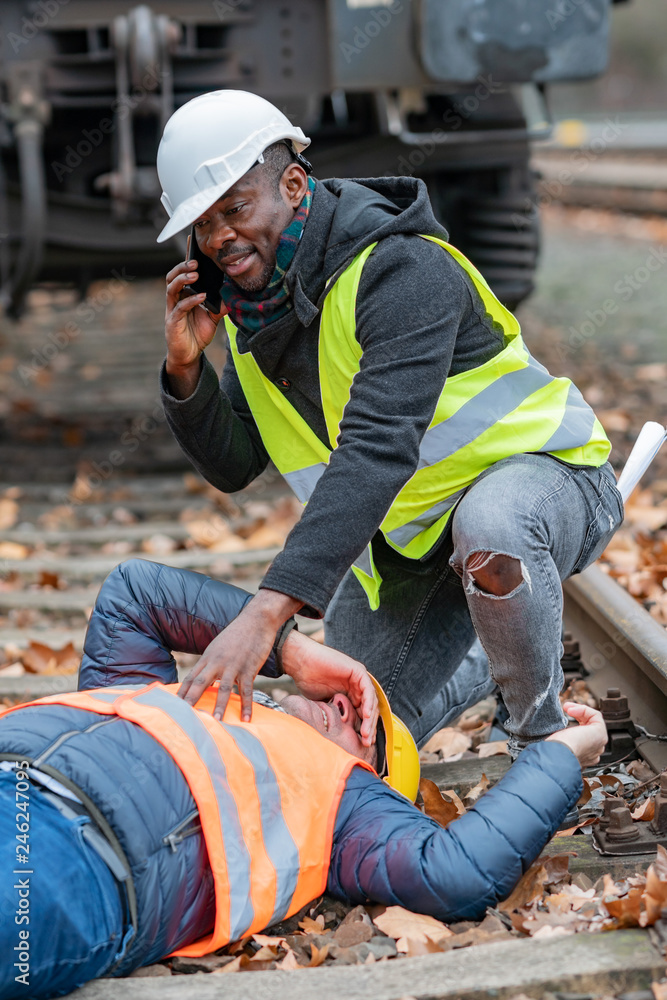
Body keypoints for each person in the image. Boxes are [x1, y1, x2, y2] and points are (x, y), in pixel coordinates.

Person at [157, 90, 623, 757]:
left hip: (545, 486)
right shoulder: (253, 312)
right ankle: (480, 670)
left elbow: (376, 448)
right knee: (351, 732)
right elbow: (233, 465)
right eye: (202, 224)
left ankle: (542, 740)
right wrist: (184, 371)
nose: (219, 237)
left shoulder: (400, 268)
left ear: (293, 184)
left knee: (490, 529)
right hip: (415, 544)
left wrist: (266, 613)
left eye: (235, 209)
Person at [0, 559, 606, 999]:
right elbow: (134, 592)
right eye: (354, 701)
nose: (346, 707)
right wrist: (289, 649)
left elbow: (453, 871)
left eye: (368, 730)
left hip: (70, 859)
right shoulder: (167, 695)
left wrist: (558, 755)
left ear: (371, 781)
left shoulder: (343, 808)